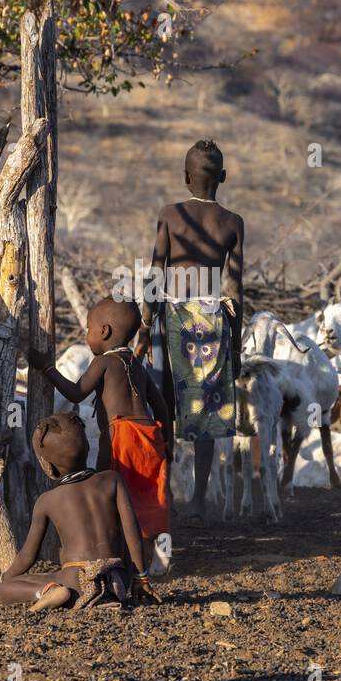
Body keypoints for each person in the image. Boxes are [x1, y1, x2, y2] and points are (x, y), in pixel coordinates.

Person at [138, 139, 244, 525]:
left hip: (175, 319)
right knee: (207, 411)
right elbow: (234, 286)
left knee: (165, 405)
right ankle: (199, 500)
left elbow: (156, 272)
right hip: (213, 321)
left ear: (185, 178)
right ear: (224, 178)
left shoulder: (170, 214)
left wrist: (146, 324)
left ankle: (163, 494)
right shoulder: (233, 223)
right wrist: (237, 344)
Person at [29, 297, 173, 571]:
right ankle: (155, 558)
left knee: (112, 491)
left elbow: (75, 392)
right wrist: (168, 443)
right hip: (149, 436)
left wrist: (47, 368)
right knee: (149, 495)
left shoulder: (104, 363)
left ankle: (120, 557)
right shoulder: (136, 365)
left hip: (121, 435)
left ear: (104, 332)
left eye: (88, 329)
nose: (87, 336)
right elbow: (161, 405)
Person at [0, 411, 160, 610]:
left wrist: (5, 579)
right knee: (45, 577)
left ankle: (47, 593)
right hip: (118, 579)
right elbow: (132, 529)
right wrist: (141, 578)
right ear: (86, 446)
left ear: (46, 464)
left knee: (0, 588)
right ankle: (95, 593)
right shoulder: (112, 480)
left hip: (76, 583)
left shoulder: (47, 500)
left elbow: (28, 556)